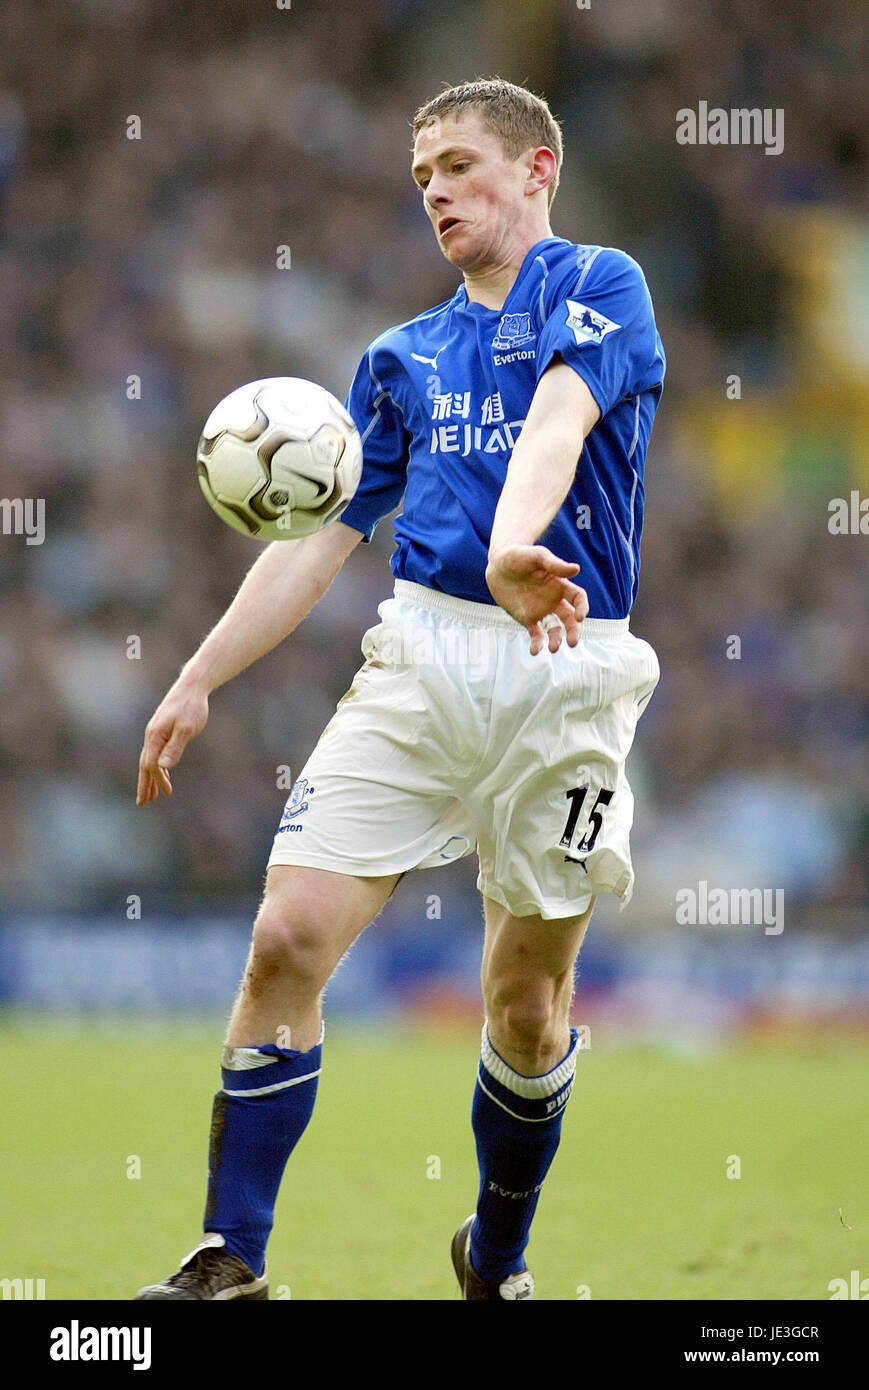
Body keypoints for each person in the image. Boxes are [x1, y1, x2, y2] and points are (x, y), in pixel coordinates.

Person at [134, 78, 665, 1301]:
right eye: (421, 172)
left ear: (535, 171)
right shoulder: (399, 359)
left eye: (461, 165)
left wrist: (513, 541)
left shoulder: (600, 285)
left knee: (526, 1009)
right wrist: (199, 674)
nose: (434, 188)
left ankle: (495, 1254)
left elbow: (557, 420)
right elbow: (320, 541)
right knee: (283, 939)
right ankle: (231, 1255)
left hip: (564, 668)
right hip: (419, 662)